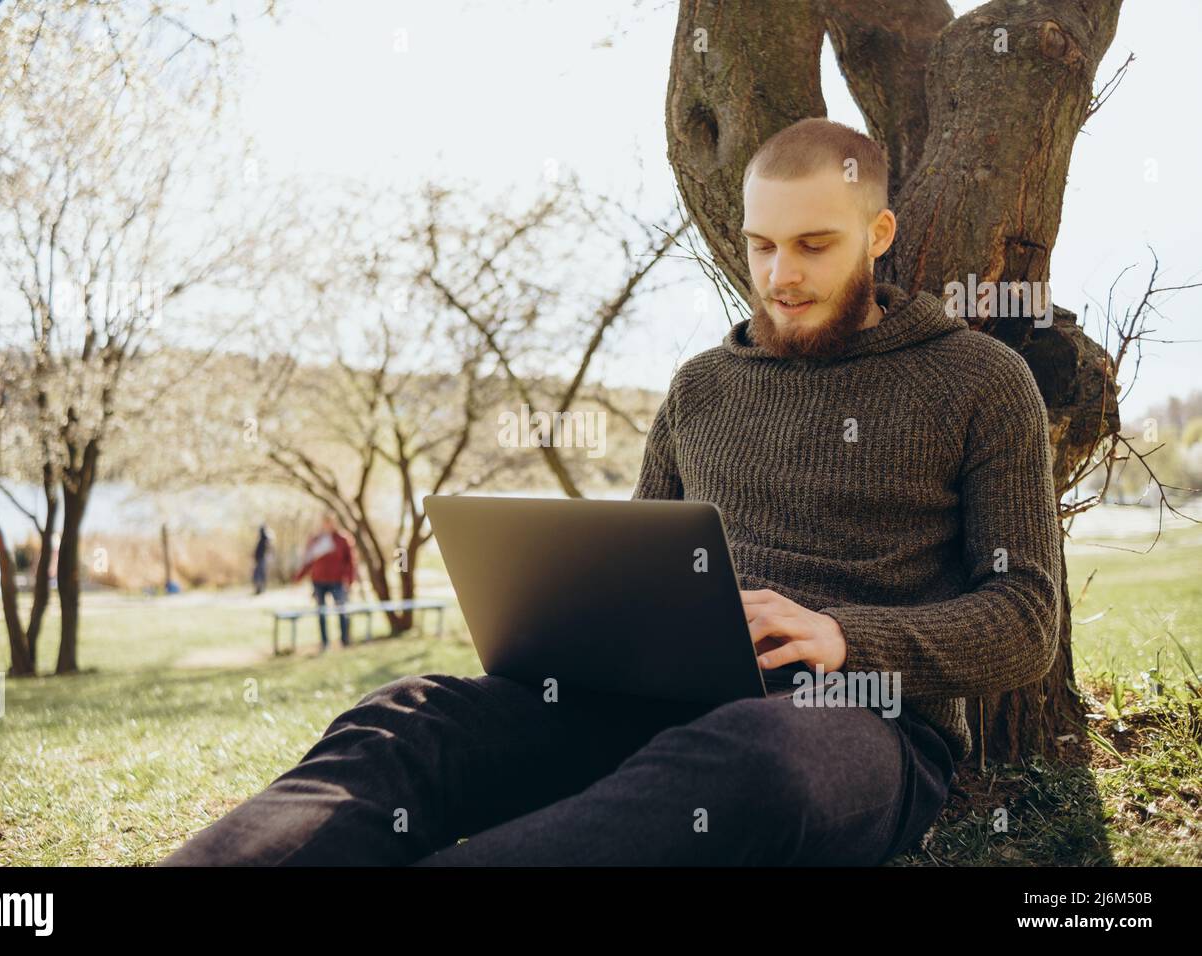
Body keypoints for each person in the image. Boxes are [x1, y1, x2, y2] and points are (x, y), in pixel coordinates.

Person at [158, 118, 1061, 866]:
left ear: (879, 235)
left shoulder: (978, 382)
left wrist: (843, 637)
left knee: (754, 761)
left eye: (814, 245)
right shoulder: (702, 386)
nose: (782, 275)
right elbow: (645, 578)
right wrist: (569, 635)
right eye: (762, 245)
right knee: (407, 716)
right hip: (652, 710)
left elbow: (1027, 618)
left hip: (853, 728)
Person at [292, 515, 356, 651]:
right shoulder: (316, 540)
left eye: (330, 522)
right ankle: (325, 642)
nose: (327, 525)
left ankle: (345, 640)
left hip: (337, 582)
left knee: (342, 610)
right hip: (318, 582)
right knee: (321, 612)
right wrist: (298, 577)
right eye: (325, 522)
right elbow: (309, 561)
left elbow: (351, 562)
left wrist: (350, 580)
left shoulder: (343, 539)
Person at [252, 525, 273, 595]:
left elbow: (269, 547)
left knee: (260, 574)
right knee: (258, 574)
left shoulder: (265, 538)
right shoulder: (261, 539)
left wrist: (269, 556)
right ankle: (259, 589)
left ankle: (261, 589)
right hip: (259, 559)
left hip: (262, 558)